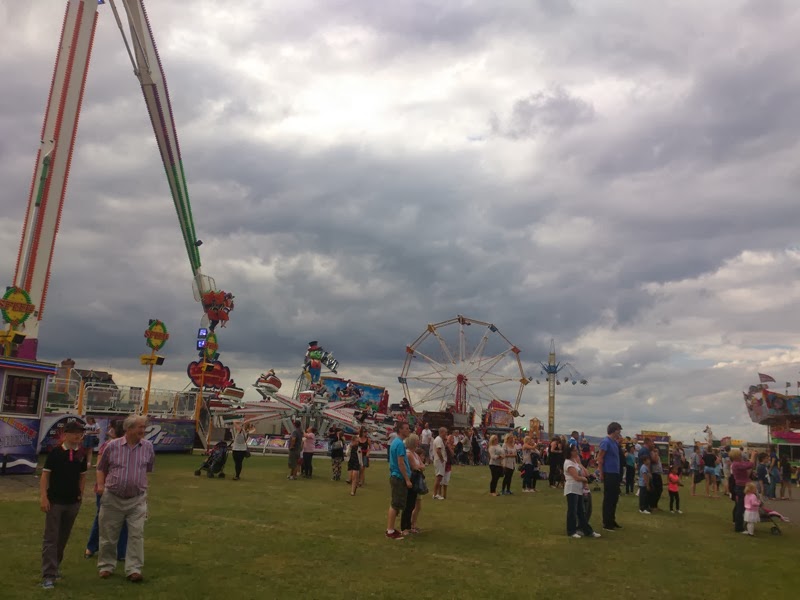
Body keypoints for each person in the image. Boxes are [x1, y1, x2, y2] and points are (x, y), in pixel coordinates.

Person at [96, 415, 155, 582]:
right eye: (139, 428)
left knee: (137, 534)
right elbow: (101, 468)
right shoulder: (112, 446)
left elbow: (147, 469)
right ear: (128, 429)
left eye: (144, 428)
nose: (142, 431)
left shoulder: (148, 447)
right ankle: (106, 566)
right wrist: (100, 486)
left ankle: (134, 569)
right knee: (108, 534)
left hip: (137, 499)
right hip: (113, 497)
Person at [40, 420, 87, 589]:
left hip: (72, 502)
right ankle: (48, 575)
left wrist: (80, 494)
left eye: (80, 432)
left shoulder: (81, 454)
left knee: (63, 538)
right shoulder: (55, 453)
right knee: (51, 538)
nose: (77, 435)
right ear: (65, 434)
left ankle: (56, 566)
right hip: (55, 502)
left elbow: (82, 475)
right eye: (74, 432)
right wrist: (44, 497)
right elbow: (45, 476)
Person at [85, 421, 127, 560]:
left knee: (118, 519)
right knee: (102, 518)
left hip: (120, 488)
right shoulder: (108, 446)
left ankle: (119, 551)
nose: (108, 430)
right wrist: (101, 485)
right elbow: (100, 468)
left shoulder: (125, 446)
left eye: (111, 428)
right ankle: (92, 547)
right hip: (107, 488)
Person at [564, 445, 601, 538]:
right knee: (572, 511)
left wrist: (587, 476)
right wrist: (585, 479)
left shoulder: (575, 461)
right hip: (572, 489)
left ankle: (587, 531)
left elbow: (581, 471)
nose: (577, 452)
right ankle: (571, 531)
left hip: (579, 489)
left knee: (581, 511)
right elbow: (576, 477)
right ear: (570, 452)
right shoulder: (568, 463)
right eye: (575, 450)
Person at [385, 422, 412, 540]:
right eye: (406, 428)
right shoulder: (400, 444)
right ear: (400, 430)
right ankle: (390, 530)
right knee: (395, 504)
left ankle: (391, 528)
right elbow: (401, 463)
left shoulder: (396, 442)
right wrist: (407, 479)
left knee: (396, 504)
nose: (409, 430)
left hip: (396, 475)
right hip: (398, 477)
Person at [597, 421, 623, 530]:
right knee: (609, 498)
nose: (620, 432)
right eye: (618, 430)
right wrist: (601, 473)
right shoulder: (606, 442)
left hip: (615, 473)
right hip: (609, 472)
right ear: (614, 430)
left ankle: (612, 519)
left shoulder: (614, 443)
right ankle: (606, 522)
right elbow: (600, 458)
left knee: (614, 497)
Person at [400, 433, 425, 535]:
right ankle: (404, 527)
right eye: (417, 440)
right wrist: (420, 466)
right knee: (408, 505)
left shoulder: (414, 453)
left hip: (416, 480)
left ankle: (409, 526)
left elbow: (422, 465)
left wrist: (420, 466)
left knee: (411, 505)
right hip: (411, 479)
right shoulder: (409, 454)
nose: (418, 442)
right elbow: (416, 466)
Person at [730, 448, 756, 533]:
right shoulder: (736, 464)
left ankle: (739, 524)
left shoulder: (737, 464)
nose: (741, 455)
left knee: (739, 507)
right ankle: (739, 527)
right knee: (740, 508)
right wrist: (753, 455)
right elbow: (750, 465)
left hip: (742, 486)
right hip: (741, 487)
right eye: (739, 454)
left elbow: (748, 464)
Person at [432, 427, 448, 500]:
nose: (446, 434)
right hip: (439, 460)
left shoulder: (440, 439)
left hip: (439, 460)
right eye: (445, 432)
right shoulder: (438, 440)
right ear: (441, 432)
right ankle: (435, 494)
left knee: (440, 477)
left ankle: (437, 493)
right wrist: (442, 460)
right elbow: (438, 450)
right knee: (438, 477)